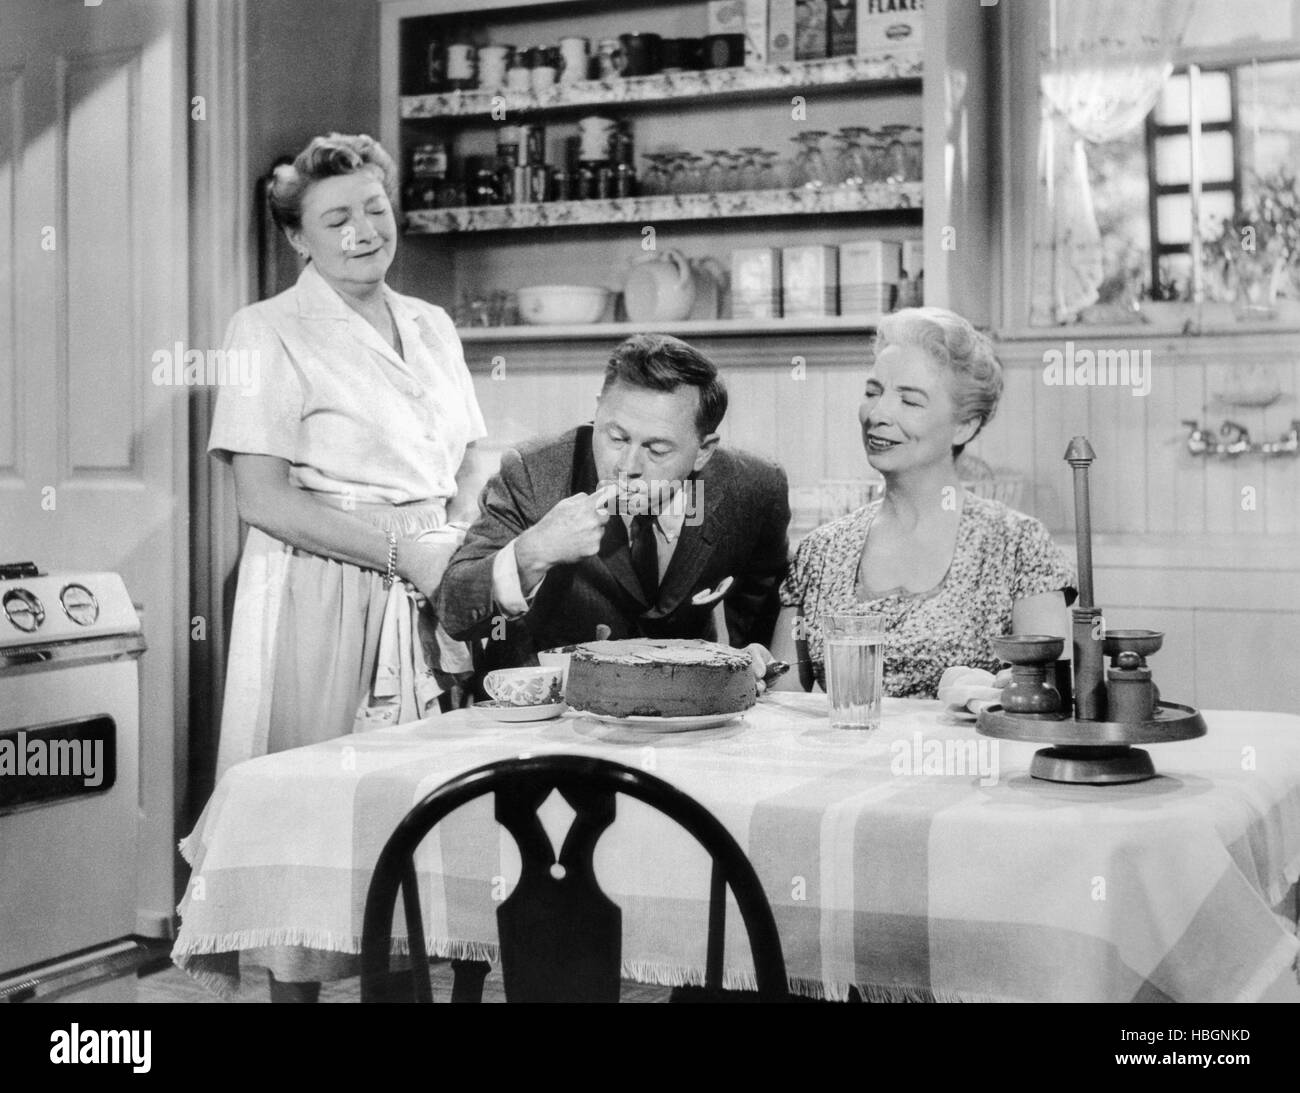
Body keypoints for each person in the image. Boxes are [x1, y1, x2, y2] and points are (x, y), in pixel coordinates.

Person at [208, 132, 486, 783]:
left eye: (375, 209)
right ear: (299, 239)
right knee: (324, 786)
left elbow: (468, 459)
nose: (363, 231)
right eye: (337, 220)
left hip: (433, 573)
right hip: (324, 585)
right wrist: (401, 555)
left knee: (429, 787)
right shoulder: (265, 328)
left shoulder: (431, 322)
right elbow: (263, 498)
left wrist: (456, 541)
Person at [438, 333, 790, 668]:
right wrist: (533, 551)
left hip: (684, 717)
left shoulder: (755, 488)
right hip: (559, 714)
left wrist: (746, 666)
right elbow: (455, 612)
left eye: (657, 449)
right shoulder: (532, 472)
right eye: (616, 437)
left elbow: (759, 609)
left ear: (704, 451)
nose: (627, 466)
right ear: (598, 411)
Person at [775, 306, 1076, 698]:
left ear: (964, 424)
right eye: (872, 392)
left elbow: (1048, 700)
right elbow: (782, 708)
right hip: (843, 756)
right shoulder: (821, 552)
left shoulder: (1018, 546)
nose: (878, 413)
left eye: (910, 401)